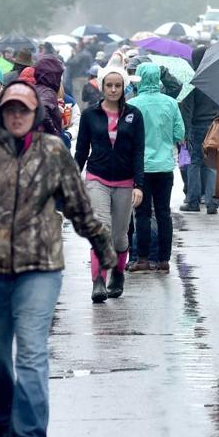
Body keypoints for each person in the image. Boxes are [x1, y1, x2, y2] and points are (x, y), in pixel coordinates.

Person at [0, 81, 116, 437]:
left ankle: (31, 435)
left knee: (32, 351)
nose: (17, 115)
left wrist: (103, 245)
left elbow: (78, 206)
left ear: (35, 114)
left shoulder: (53, 152)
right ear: (0, 113)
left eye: (24, 109)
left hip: (40, 266)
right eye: (10, 109)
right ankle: (3, 423)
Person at [74, 66, 145, 302]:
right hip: (97, 178)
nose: (113, 89)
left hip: (125, 181)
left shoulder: (134, 115)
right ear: (102, 87)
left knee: (120, 237)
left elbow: (139, 152)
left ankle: (118, 274)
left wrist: (139, 185)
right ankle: (98, 282)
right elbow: (81, 150)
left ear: (124, 87)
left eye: (117, 85)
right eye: (109, 85)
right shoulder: (90, 115)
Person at [127, 62, 186, 273]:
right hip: (164, 166)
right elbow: (179, 133)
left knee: (142, 213)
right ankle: (163, 260)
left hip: (141, 167)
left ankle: (142, 258)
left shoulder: (132, 104)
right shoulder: (170, 103)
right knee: (163, 213)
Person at [180, 47, 219, 213]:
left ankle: (193, 202)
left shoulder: (193, 81)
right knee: (212, 164)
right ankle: (212, 203)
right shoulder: (217, 80)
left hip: (196, 127)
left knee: (194, 163)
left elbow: (187, 109)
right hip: (215, 127)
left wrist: (184, 132)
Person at [33, 55, 66, 141]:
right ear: (53, 75)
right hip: (46, 142)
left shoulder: (35, 88)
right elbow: (43, 110)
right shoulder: (48, 92)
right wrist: (53, 132)